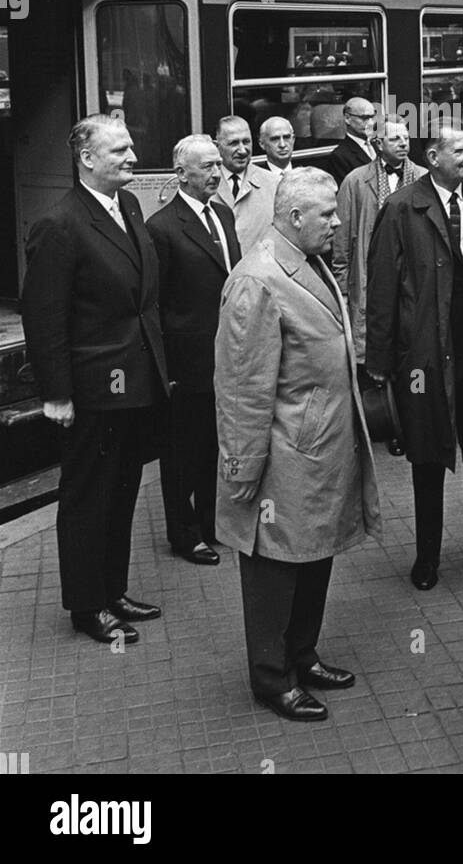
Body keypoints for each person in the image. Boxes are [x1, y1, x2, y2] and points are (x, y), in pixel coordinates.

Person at [213, 168, 382, 722]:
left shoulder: (303, 259)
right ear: (292, 218)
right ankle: (271, 678)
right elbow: (242, 387)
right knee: (274, 570)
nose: (337, 222)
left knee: (313, 556)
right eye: (327, 215)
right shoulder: (257, 280)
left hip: (318, 449)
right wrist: (241, 471)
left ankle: (301, 656)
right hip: (282, 459)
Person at [21, 115, 169, 645]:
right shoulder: (58, 225)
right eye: (120, 150)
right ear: (87, 158)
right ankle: (87, 606)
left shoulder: (127, 206)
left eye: (131, 145)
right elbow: (44, 317)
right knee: (89, 494)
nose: (133, 156)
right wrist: (56, 394)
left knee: (124, 487)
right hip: (93, 388)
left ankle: (113, 590)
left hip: (136, 380)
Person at [365, 128, 463, 589]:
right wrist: (381, 357)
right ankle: (427, 558)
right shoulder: (401, 208)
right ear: (432, 157)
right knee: (428, 457)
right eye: (459, 150)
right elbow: (381, 288)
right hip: (425, 355)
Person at [147, 135, 241, 567]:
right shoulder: (162, 228)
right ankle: (183, 535)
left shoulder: (223, 214)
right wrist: (166, 366)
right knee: (182, 453)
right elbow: (157, 303)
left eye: (218, 165)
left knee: (214, 447)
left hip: (226, 356)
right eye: (207, 167)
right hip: (187, 362)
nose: (217, 173)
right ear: (182, 173)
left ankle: (209, 521)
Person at [332, 119, 426, 459]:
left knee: (410, 355)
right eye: (393, 138)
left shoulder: (422, 178)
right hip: (368, 281)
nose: (402, 143)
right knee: (372, 355)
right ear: (377, 142)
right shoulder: (356, 182)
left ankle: (408, 424)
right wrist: (343, 289)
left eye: (405, 137)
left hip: (411, 281)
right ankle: (378, 424)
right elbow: (341, 245)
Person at [212, 115, 277, 253]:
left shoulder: (274, 184)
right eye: (234, 143)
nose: (242, 150)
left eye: (246, 142)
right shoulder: (204, 185)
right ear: (217, 146)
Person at [326, 97, 378, 185]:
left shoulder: (378, 144)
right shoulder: (339, 156)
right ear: (347, 118)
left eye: (372, 117)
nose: (371, 123)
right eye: (364, 118)